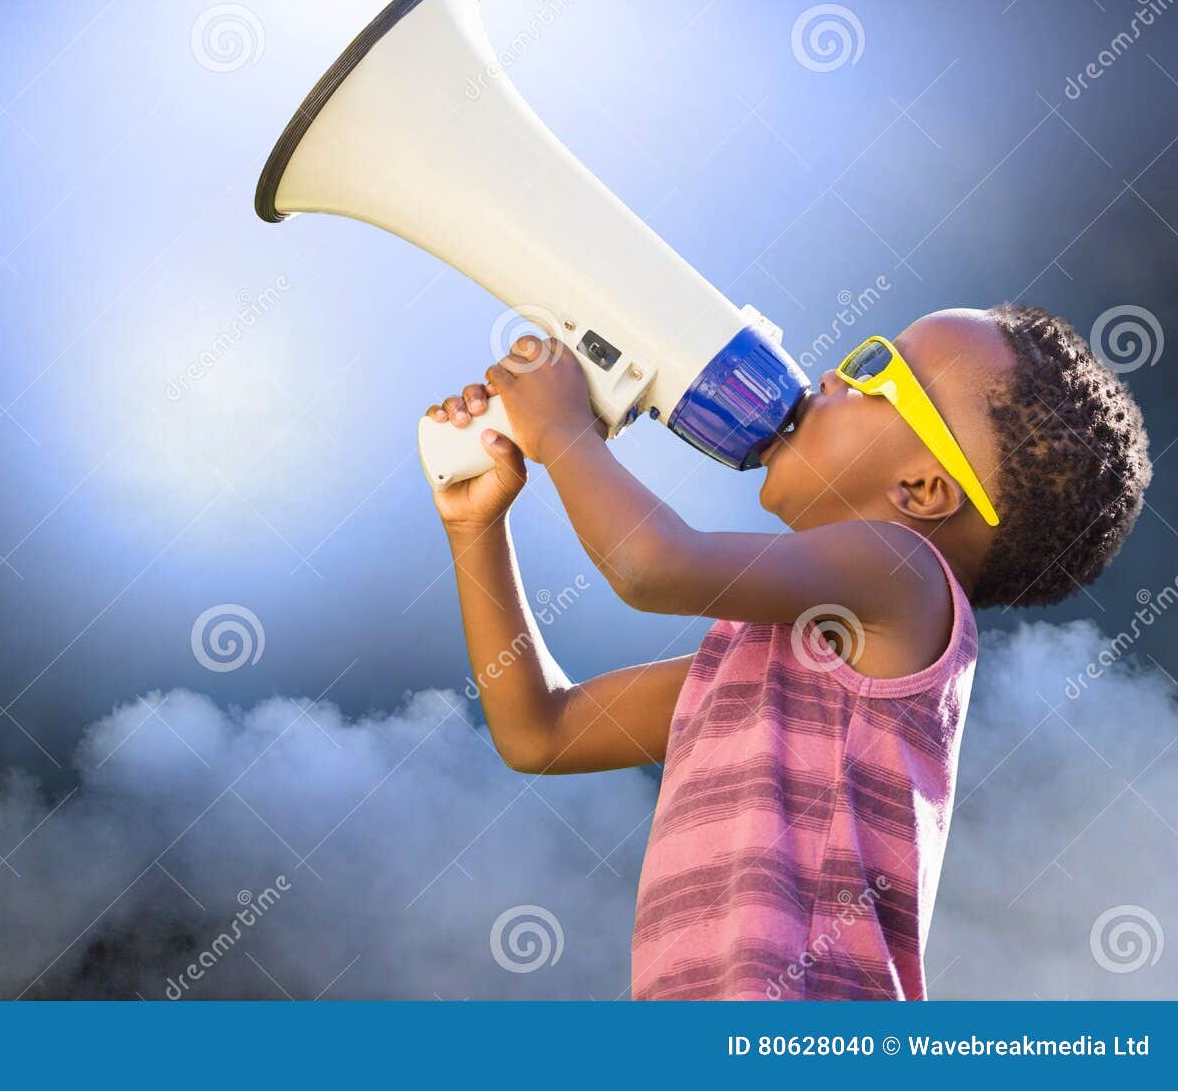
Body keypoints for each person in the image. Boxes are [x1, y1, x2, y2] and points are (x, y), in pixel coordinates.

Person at [426, 304, 1152, 999]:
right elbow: (541, 731)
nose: (834, 375)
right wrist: (476, 528)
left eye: (878, 370)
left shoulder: (907, 578)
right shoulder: (767, 661)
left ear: (924, 488)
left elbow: (653, 565)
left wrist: (562, 432)